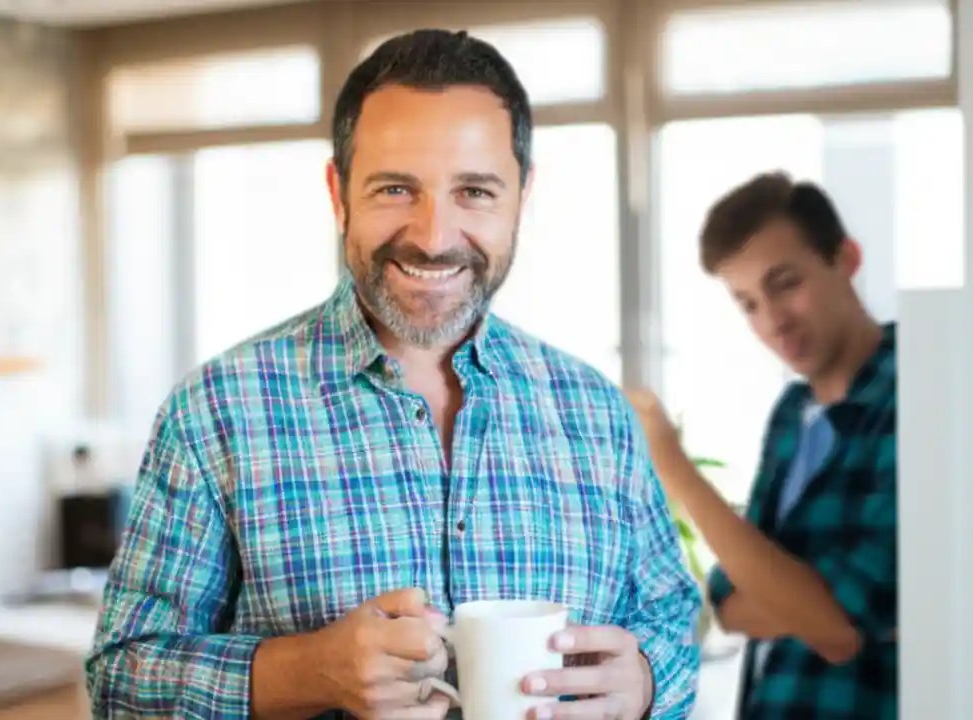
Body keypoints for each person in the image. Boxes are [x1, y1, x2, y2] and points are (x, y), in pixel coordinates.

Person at [86, 29, 700, 720]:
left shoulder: (596, 411)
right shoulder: (215, 412)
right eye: (395, 189)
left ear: (522, 196)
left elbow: (673, 624)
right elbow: (121, 680)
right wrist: (309, 671)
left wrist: (645, 682)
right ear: (338, 192)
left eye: (474, 190)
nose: (434, 236)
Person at [628, 172, 897, 719]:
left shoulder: (913, 390)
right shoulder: (791, 415)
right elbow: (731, 601)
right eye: (748, 303)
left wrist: (673, 464)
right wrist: (796, 597)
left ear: (846, 259)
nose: (773, 321)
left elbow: (839, 629)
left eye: (785, 283)